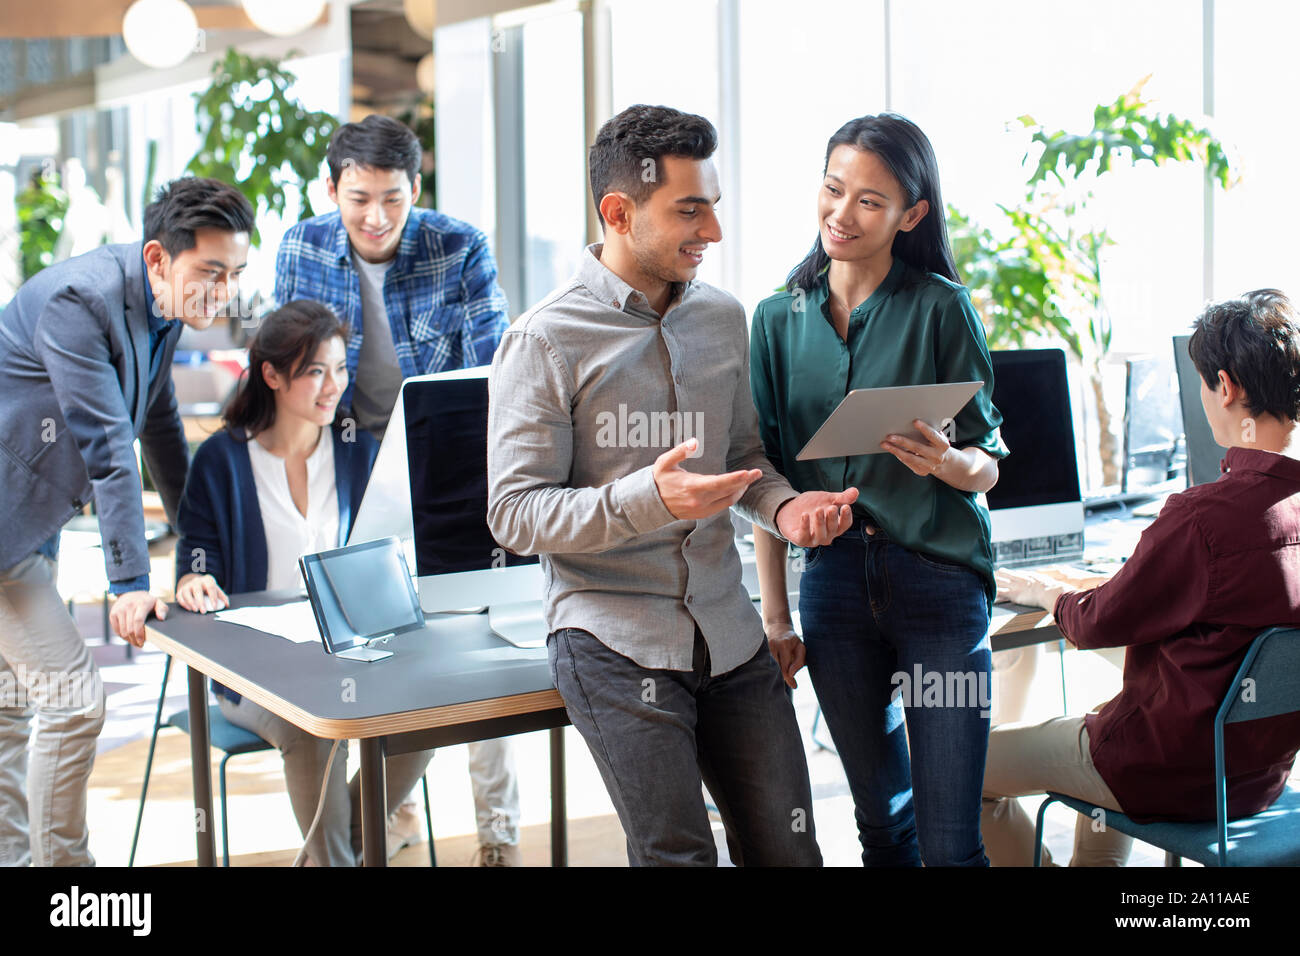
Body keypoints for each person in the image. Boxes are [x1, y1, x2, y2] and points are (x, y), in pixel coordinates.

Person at [488, 104, 858, 867]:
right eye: (690, 211)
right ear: (618, 213)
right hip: (611, 634)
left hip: (726, 627)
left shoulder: (722, 320)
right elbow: (513, 513)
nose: (713, 232)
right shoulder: (545, 340)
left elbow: (745, 456)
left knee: (791, 853)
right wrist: (646, 500)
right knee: (679, 856)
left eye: (714, 206)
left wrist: (787, 510)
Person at [749, 113, 1007, 867]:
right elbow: (765, 477)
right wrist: (775, 617)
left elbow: (988, 459)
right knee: (881, 827)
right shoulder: (775, 320)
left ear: (912, 215)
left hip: (938, 585)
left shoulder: (941, 307)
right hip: (831, 590)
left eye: (870, 200)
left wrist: (946, 465)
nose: (842, 213)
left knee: (951, 844)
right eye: (834, 190)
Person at [274, 114, 519, 864]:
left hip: (446, 456)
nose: (376, 218)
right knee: (371, 637)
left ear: (417, 188)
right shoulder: (303, 246)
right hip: (346, 461)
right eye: (359, 200)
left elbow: (494, 369)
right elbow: (290, 365)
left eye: (392, 198)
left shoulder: (458, 245)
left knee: (479, 631)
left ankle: (498, 834)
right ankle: (393, 809)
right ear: (331, 190)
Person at [989, 289, 1300, 866]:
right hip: (1256, 780)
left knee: (959, 771)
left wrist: (1049, 592)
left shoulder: (1202, 518)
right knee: (1120, 701)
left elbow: (1094, 624)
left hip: (1166, 773)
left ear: (1225, 388)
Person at [0, 177, 253, 867]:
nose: (222, 291)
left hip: (32, 513)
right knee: (75, 702)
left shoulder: (162, 304)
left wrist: (199, 539)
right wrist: (131, 582)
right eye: (210, 273)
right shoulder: (78, 302)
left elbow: (160, 423)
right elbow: (110, 444)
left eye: (235, 275)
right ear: (157, 257)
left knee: (13, 712)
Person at [173, 300, 435, 867]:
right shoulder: (221, 459)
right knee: (315, 731)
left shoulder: (356, 452)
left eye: (339, 369)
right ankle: (337, 857)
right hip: (256, 671)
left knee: (426, 719)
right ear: (271, 375)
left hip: (347, 653)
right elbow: (197, 552)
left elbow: (393, 546)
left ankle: (335, 857)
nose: (332, 386)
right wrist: (196, 579)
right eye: (315, 371)